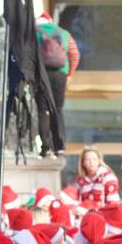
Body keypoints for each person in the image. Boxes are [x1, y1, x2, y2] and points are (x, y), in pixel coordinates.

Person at [35, 10, 78, 157]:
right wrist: (69, 74)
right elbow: (74, 54)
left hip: (41, 74)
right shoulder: (63, 33)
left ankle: (46, 147)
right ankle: (60, 147)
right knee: (57, 110)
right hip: (60, 75)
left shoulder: (33, 33)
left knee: (41, 110)